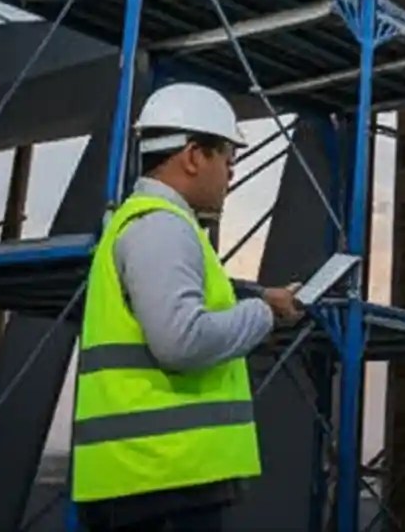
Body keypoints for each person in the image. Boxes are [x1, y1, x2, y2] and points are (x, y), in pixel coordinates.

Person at [71, 83, 302, 531]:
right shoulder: (161, 226)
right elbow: (180, 341)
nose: (231, 176)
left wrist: (257, 303)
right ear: (194, 156)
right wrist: (265, 313)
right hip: (160, 483)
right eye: (227, 162)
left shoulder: (150, 225)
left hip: (154, 484)